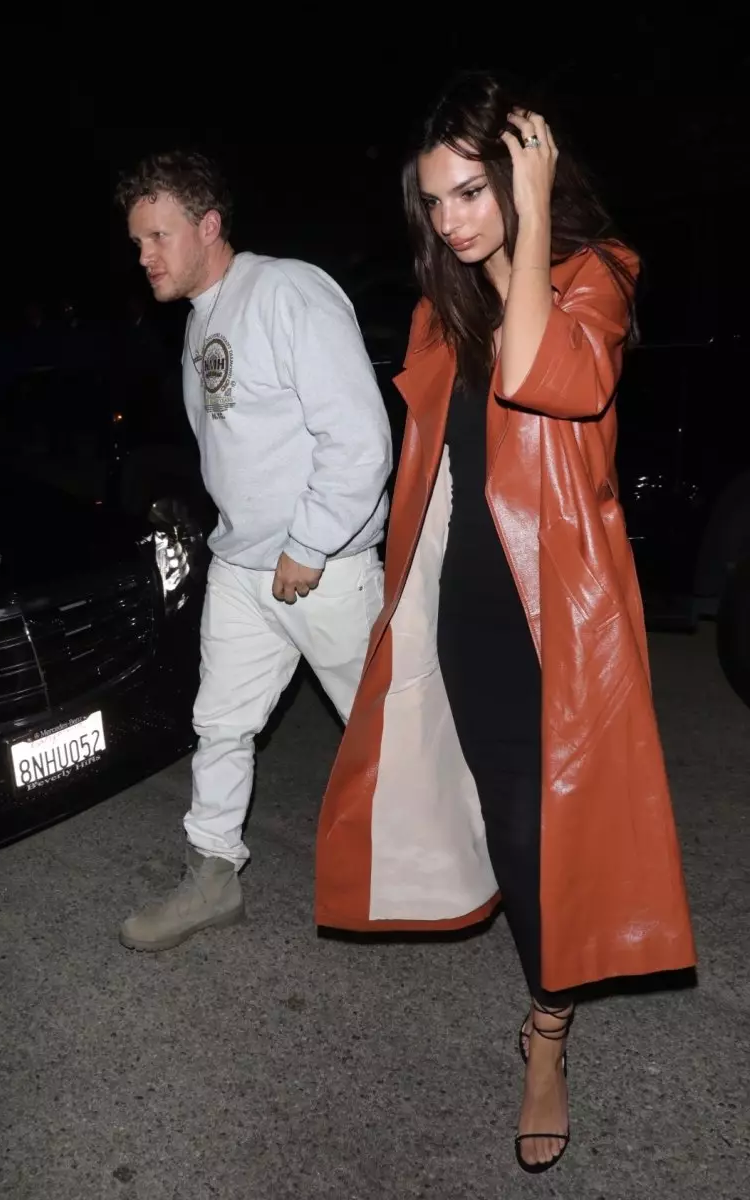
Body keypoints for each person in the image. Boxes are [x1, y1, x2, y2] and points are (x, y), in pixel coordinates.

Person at [315, 71, 696, 1173]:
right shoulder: (444, 307)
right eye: (435, 202)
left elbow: (551, 380)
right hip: (462, 617)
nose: (451, 220)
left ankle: (544, 1034)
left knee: (544, 832)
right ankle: (538, 991)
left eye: (474, 191)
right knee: (505, 820)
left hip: (558, 620)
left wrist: (524, 231)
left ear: (526, 181)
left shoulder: (596, 273)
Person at [115, 150, 392, 954]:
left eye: (158, 236)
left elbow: (362, 435)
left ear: (208, 226)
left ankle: (469, 865)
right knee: (221, 725)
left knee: (387, 729)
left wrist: (309, 542)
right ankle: (212, 877)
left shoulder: (287, 291)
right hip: (242, 567)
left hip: (321, 568)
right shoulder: (201, 319)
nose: (145, 257)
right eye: (137, 243)